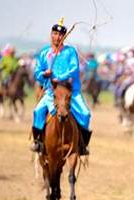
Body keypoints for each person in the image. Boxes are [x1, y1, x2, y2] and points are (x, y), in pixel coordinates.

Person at [30, 18, 92, 156]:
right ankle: (37, 142)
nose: (57, 37)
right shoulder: (44, 53)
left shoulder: (70, 52)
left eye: (60, 35)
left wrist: (60, 77)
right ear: (51, 35)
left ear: (64, 36)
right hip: (51, 92)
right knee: (37, 112)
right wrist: (44, 74)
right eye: (54, 34)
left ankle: (83, 146)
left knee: (86, 114)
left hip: (71, 92)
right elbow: (37, 72)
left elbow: (74, 69)